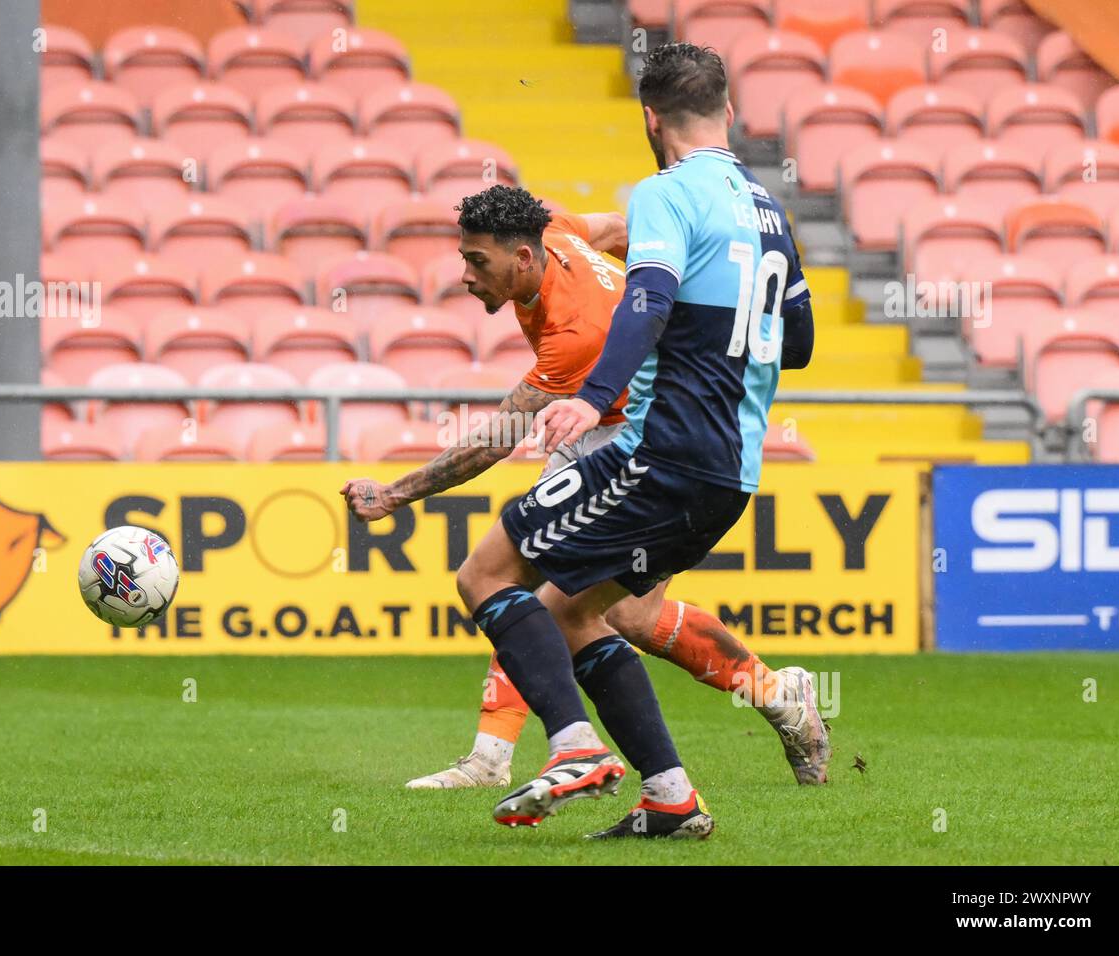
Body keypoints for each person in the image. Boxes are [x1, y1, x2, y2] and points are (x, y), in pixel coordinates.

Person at [340, 186, 829, 796]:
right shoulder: (558, 231)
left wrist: (394, 494)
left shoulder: (575, 335)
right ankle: (774, 696)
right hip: (613, 427)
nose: (465, 276)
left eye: (478, 262)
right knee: (619, 613)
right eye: (464, 259)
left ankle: (513, 754)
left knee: (523, 580)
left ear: (522, 256)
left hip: (628, 437)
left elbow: (495, 440)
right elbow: (621, 229)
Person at [451, 41, 820, 838]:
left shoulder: (664, 192)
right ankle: (671, 800)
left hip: (659, 451)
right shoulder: (766, 209)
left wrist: (589, 399)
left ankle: (575, 746)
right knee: (578, 611)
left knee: (485, 573)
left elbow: (648, 300)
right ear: (727, 110)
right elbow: (800, 341)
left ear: (651, 119)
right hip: (731, 472)